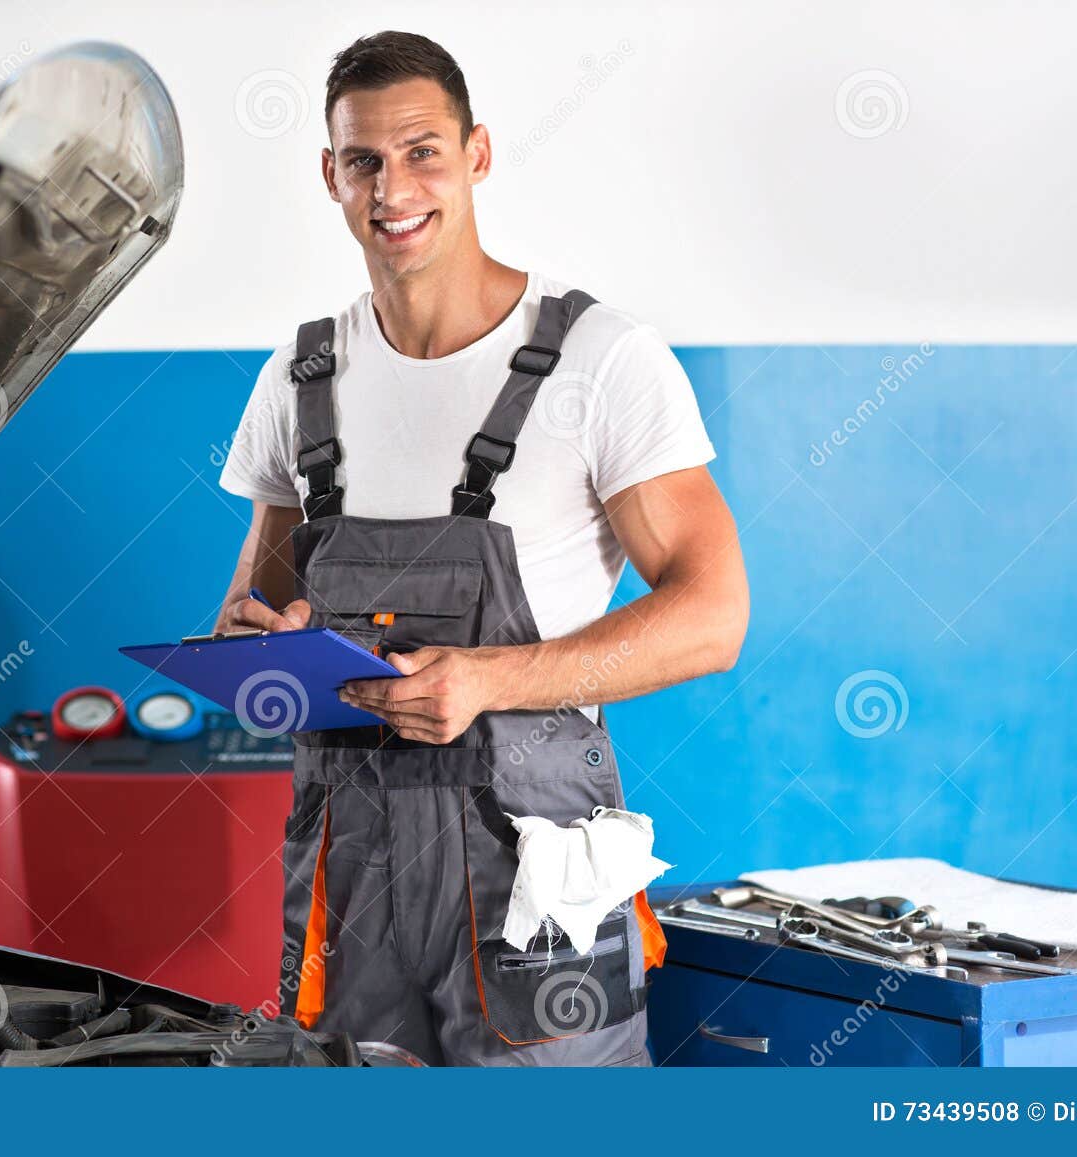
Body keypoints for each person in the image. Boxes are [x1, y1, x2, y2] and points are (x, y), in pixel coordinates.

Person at [216, 30, 749, 1066]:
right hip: (348, 879)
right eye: (363, 160)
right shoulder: (302, 374)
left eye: (422, 151)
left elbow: (711, 613)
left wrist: (492, 679)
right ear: (331, 175)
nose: (392, 187)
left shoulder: (598, 361)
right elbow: (253, 610)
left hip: (532, 887)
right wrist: (251, 643)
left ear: (477, 154)